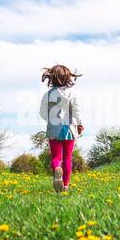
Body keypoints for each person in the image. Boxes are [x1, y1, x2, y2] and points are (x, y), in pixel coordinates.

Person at [39, 64, 83, 192]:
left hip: (54, 129)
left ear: (52, 78)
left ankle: (57, 168)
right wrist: (80, 124)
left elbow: (42, 113)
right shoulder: (72, 94)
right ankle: (65, 185)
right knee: (68, 158)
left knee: (56, 157)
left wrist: (51, 120)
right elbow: (77, 111)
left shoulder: (47, 95)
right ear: (67, 78)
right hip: (69, 129)